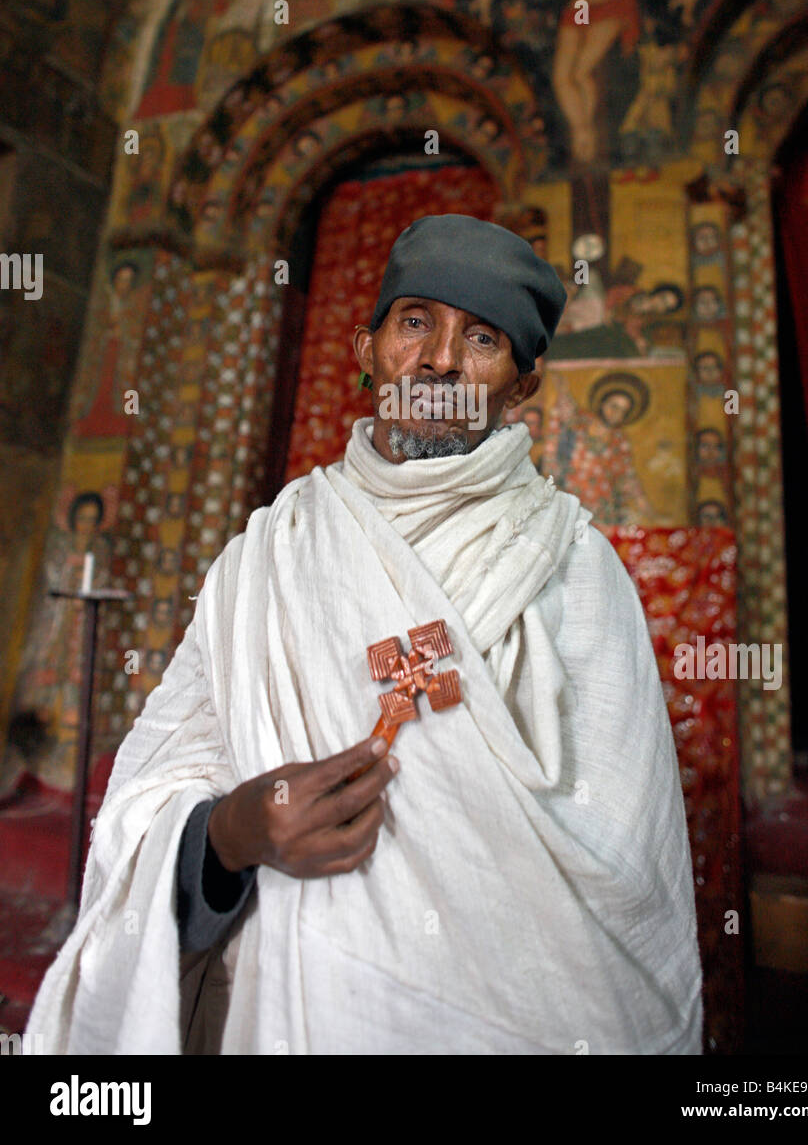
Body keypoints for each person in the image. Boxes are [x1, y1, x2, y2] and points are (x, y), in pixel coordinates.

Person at [28, 214, 702, 1056]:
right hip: (271, 1003)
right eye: (415, 321)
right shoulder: (268, 556)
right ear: (367, 348)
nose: (441, 360)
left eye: (482, 338)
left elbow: (622, 872)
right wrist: (232, 833)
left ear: (521, 389)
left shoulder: (573, 567)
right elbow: (156, 788)